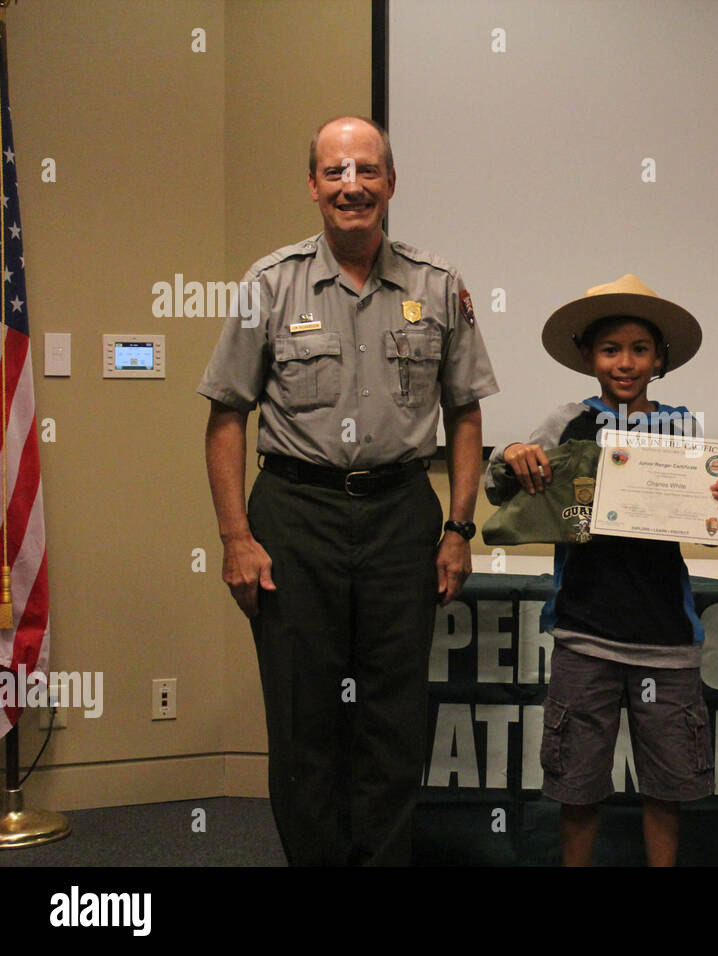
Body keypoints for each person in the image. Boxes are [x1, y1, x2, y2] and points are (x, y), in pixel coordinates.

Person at [199, 116, 498, 866]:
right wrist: (236, 537)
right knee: (304, 722)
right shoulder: (267, 285)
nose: (351, 185)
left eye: (367, 170)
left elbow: (465, 412)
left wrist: (459, 528)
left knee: (392, 721)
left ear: (390, 183)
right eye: (335, 172)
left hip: (401, 513)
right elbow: (227, 415)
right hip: (295, 516)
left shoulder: (438, 285)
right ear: (312, 184)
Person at [486, 274, 718, 866]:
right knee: (576, 785)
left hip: (666, 639)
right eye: (611, 350)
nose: (626, 362)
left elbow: (715, 527)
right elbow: (499, 486)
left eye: (640, 349)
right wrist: (509, 455)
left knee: (668, 786)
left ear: (661, 358)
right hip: (584, 634)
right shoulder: (564, 423)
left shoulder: (685, 427)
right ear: (588, 357)